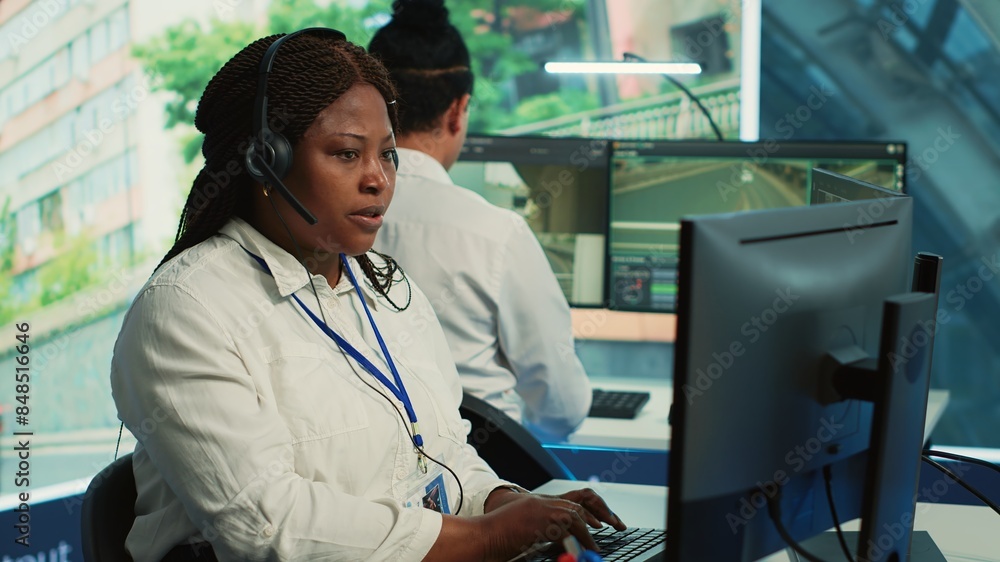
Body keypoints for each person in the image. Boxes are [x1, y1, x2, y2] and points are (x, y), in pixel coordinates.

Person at [109, 29, 625, 561]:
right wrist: (485, 537)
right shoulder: (185, 309)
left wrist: (509, 505)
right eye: (347, 154)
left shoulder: (382, 283)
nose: (378, 179)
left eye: (388, 155)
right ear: (267, 162)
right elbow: (265, 525)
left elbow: (443, 451)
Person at [369, 0, 593, 441]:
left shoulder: (315, 227)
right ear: (458, 110)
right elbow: (563, 409)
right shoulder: (496, 234)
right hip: (491, 478)